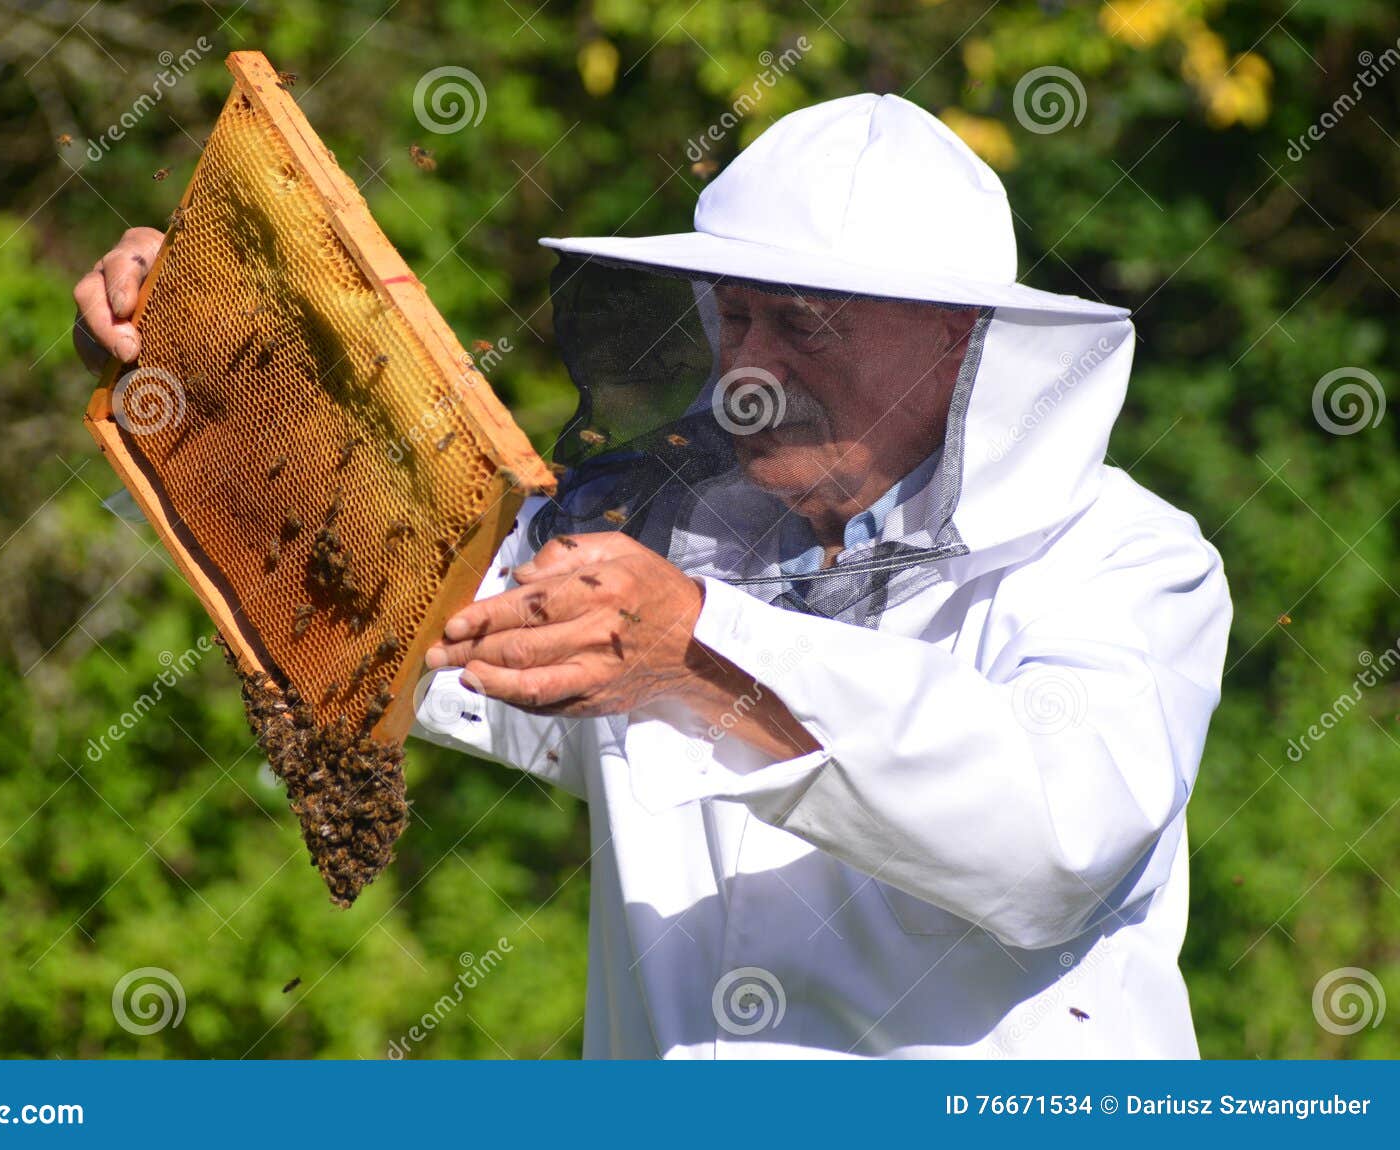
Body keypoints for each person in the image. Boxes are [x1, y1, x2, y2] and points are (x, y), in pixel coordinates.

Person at [75, 93, 1230, 1059]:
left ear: (956, 338)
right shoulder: (659, 539)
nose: (749, 370)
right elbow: (368, 579)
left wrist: (700, 655)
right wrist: (192, 363)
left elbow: (1054, 841)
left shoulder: (1123, 562)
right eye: (734, 315)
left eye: (805, 324)